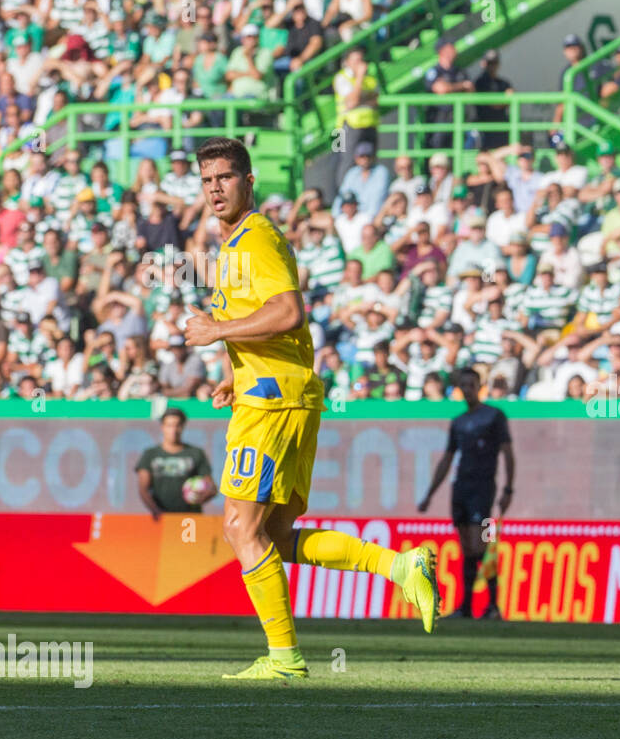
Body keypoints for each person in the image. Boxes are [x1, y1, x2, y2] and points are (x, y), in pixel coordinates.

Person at [182, 136, 438, 681]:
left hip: (272, 404)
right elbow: (268, 323)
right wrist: (232, 372)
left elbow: (290, 311)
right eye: (207, 180)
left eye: (225, 177)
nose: (214, 188)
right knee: (271, 536)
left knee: (238, 529)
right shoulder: (234, 247)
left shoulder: (255, 241)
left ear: (249, 181)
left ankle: (284, 659)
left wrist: (215, 332)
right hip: (281, 394)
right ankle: (398, 565)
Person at [417, 367, 515, 620]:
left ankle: (493, 606)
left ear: (479, 386)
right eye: (464, 385)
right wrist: (429, 494)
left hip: (484, 491)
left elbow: (507, 454)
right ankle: (467, 607)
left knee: (481, 546)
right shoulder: (458, 423)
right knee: (466, 548)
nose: (468, 390)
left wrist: (508, 489)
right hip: (461, 489)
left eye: (472, 385)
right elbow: (447, 460)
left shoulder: (494, 417)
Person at [134, 407, 216, 520]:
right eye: (169, 425)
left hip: (190, 519)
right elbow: (143, 489)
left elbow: (211, 487)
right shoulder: (150, 454)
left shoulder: (196, 453)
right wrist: (156, 511)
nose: (174, 430)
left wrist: (201, 497)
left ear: (183, 427)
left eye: (177, 425)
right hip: (162, 518)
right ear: (162, 427)